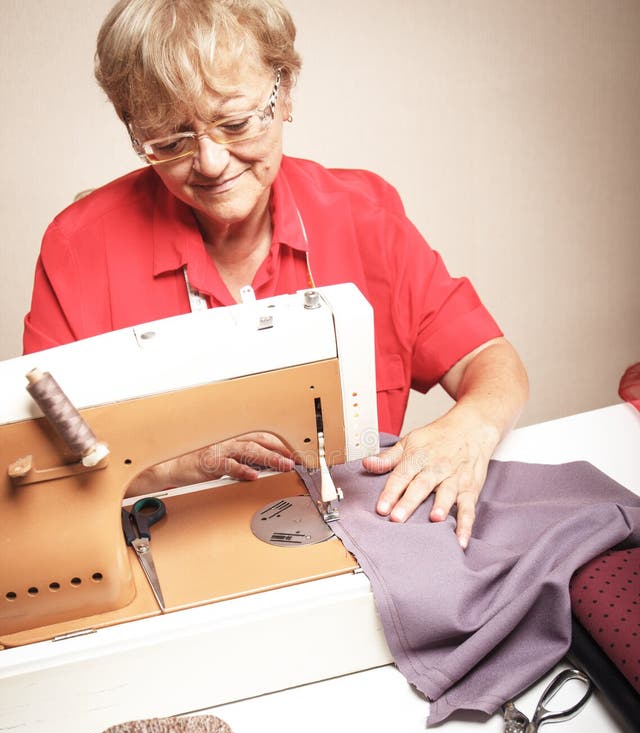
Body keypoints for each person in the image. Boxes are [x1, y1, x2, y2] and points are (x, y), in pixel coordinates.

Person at [23, 0, 528, 549]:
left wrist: (468, 429)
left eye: (236, 123)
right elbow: (44, 461)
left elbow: (489, 361)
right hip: (174, 548)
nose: (212, 164)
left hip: (356, 546)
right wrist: (171, 466)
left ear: (284, 93)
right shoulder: (79, 249)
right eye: (170, 142)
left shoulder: (363, 216)